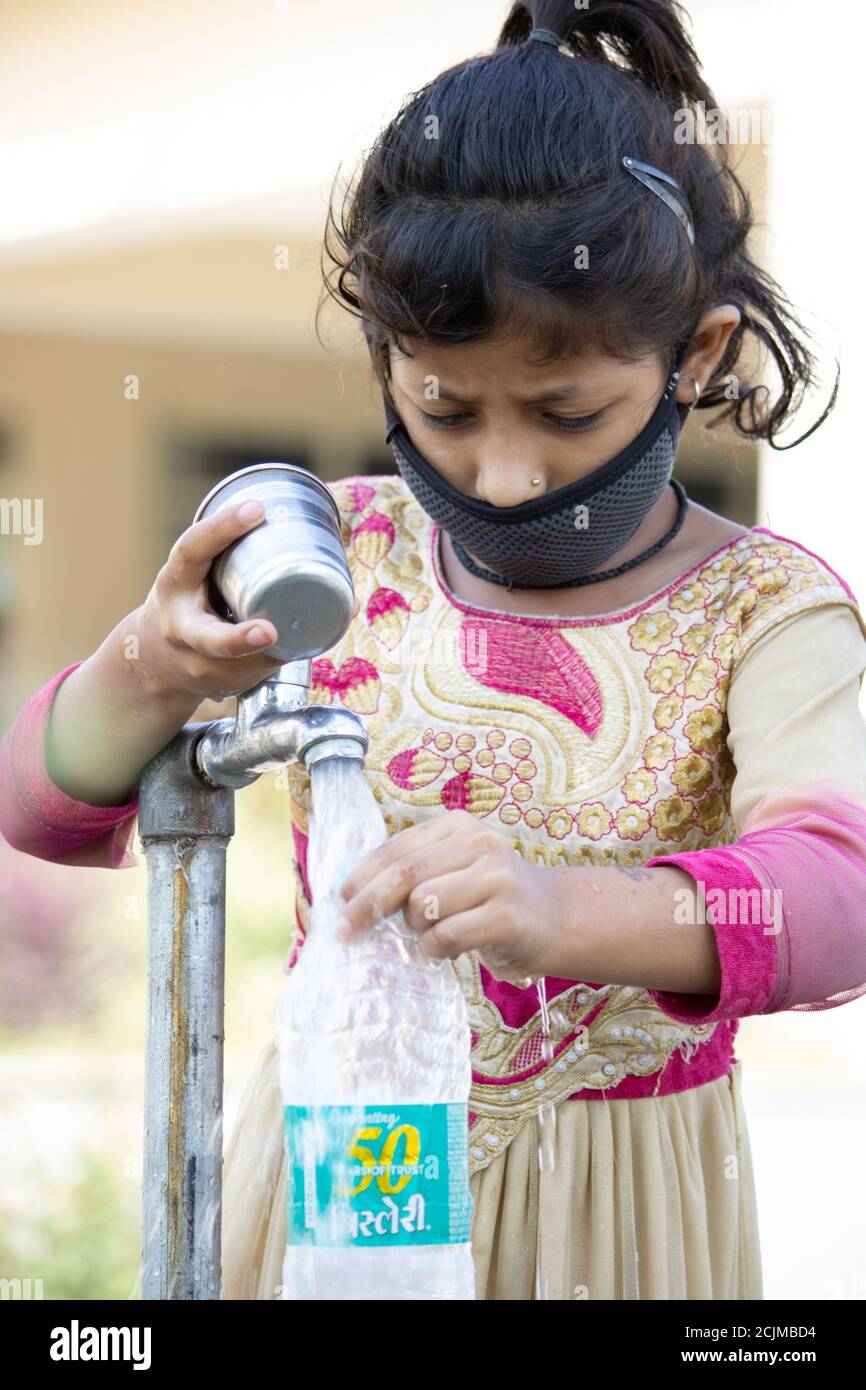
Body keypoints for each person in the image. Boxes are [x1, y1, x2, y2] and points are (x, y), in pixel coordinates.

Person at [3, 0, 866, 1300]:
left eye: (567, 411)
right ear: (384, 360)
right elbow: (40, 801)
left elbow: (832, 893)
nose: (505, 472)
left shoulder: (760, 608)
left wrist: (568, 909)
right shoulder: (329, 557)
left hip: (612, 1217)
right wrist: (153, 665)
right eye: (443, 406)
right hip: (341, 1172)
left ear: (692, 357)